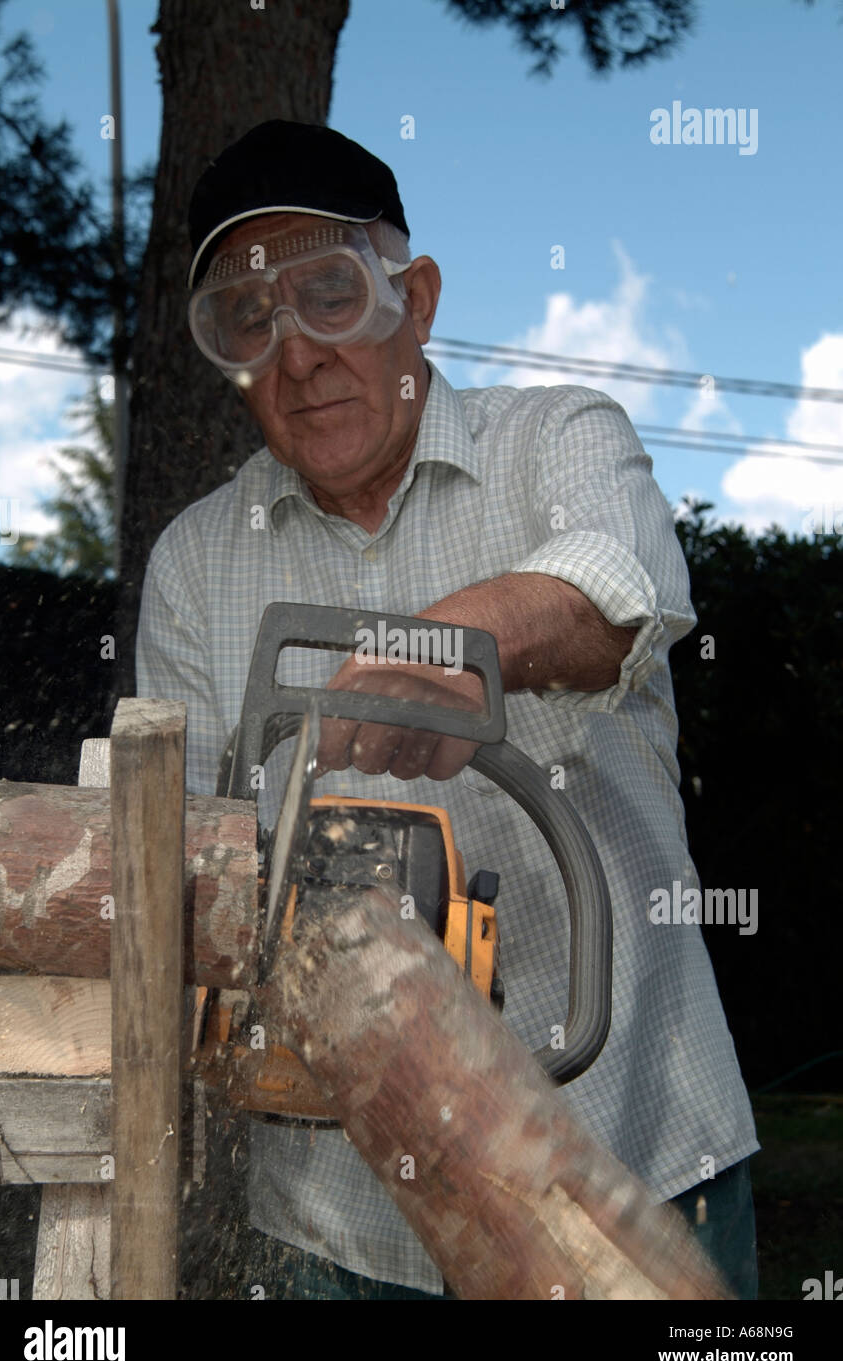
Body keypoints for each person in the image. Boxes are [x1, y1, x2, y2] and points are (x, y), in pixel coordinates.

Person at [136, 119, 759, 1300]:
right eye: (246, 320)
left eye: (328, 293)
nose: (298, 352)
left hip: (627, 1157)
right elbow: (188, 854)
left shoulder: (559, 440)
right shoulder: (194, 561)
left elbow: (617, 595)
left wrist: (453, 649)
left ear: (411, 299)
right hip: (333, 1222)